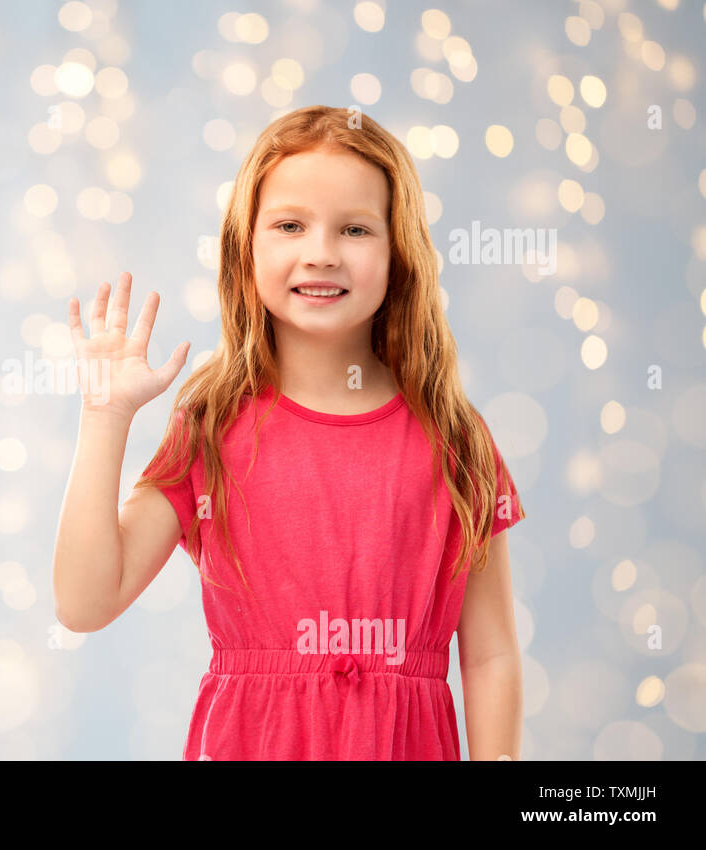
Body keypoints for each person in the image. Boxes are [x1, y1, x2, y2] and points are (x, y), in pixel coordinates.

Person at [52, 105, 526, 760]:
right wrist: (105, 417)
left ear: (399, 253)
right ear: (246, 247)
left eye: (355, 229)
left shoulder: (455, 438)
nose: (322, 254)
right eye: (290, 225)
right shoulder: (211, 428)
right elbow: (84, 602)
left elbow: (491, 654)